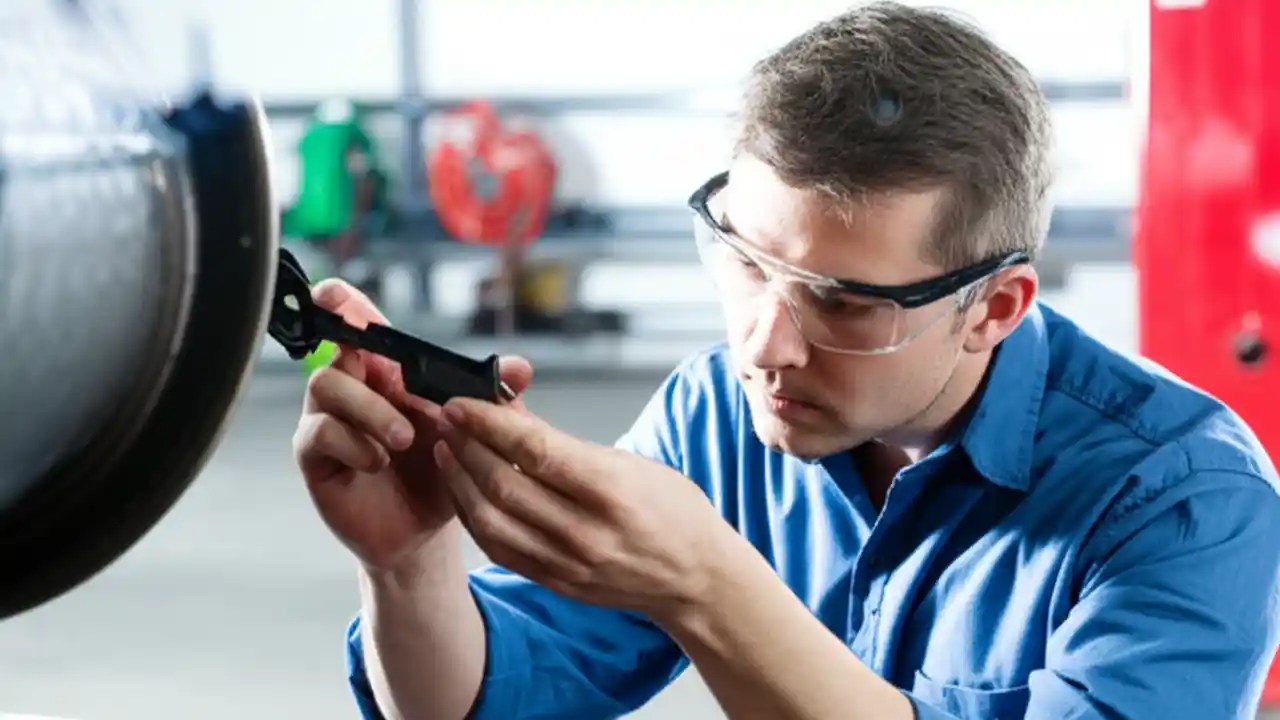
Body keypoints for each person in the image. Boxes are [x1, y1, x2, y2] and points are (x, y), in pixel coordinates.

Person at [292, 3, 1280, 719]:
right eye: (743, 263)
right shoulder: (718, 419)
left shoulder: (1182, 499)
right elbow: (495, 702)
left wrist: (709, 587)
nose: (762, 346)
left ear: (993, 307)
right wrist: (409, 563)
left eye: (842, 303)